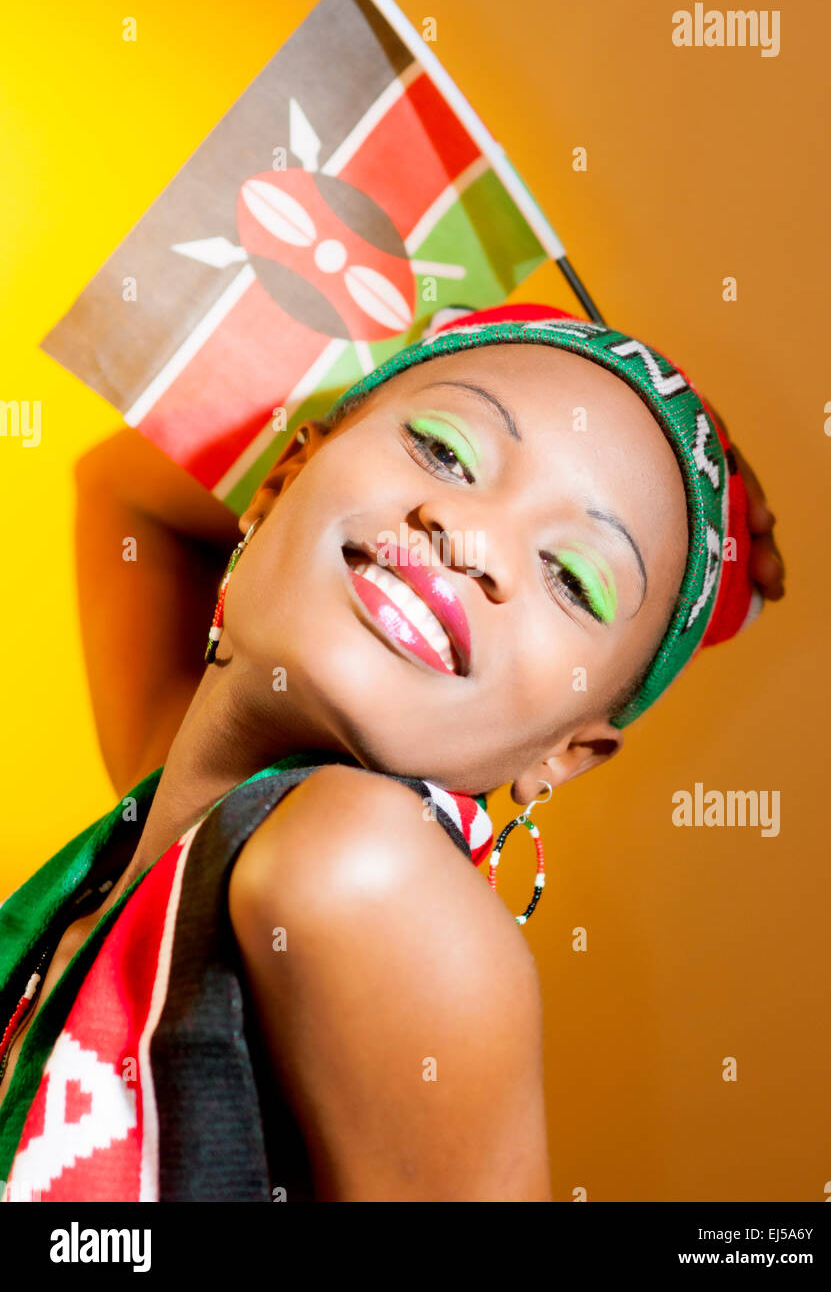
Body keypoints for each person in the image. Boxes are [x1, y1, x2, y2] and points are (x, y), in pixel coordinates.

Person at [0, 303, 785, 1202]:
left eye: (573, 577)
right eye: (446, 449)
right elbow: (133, 494)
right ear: (278, 478)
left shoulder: (352, 864)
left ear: (562, 756)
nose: (474, 539)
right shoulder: (169, 858)